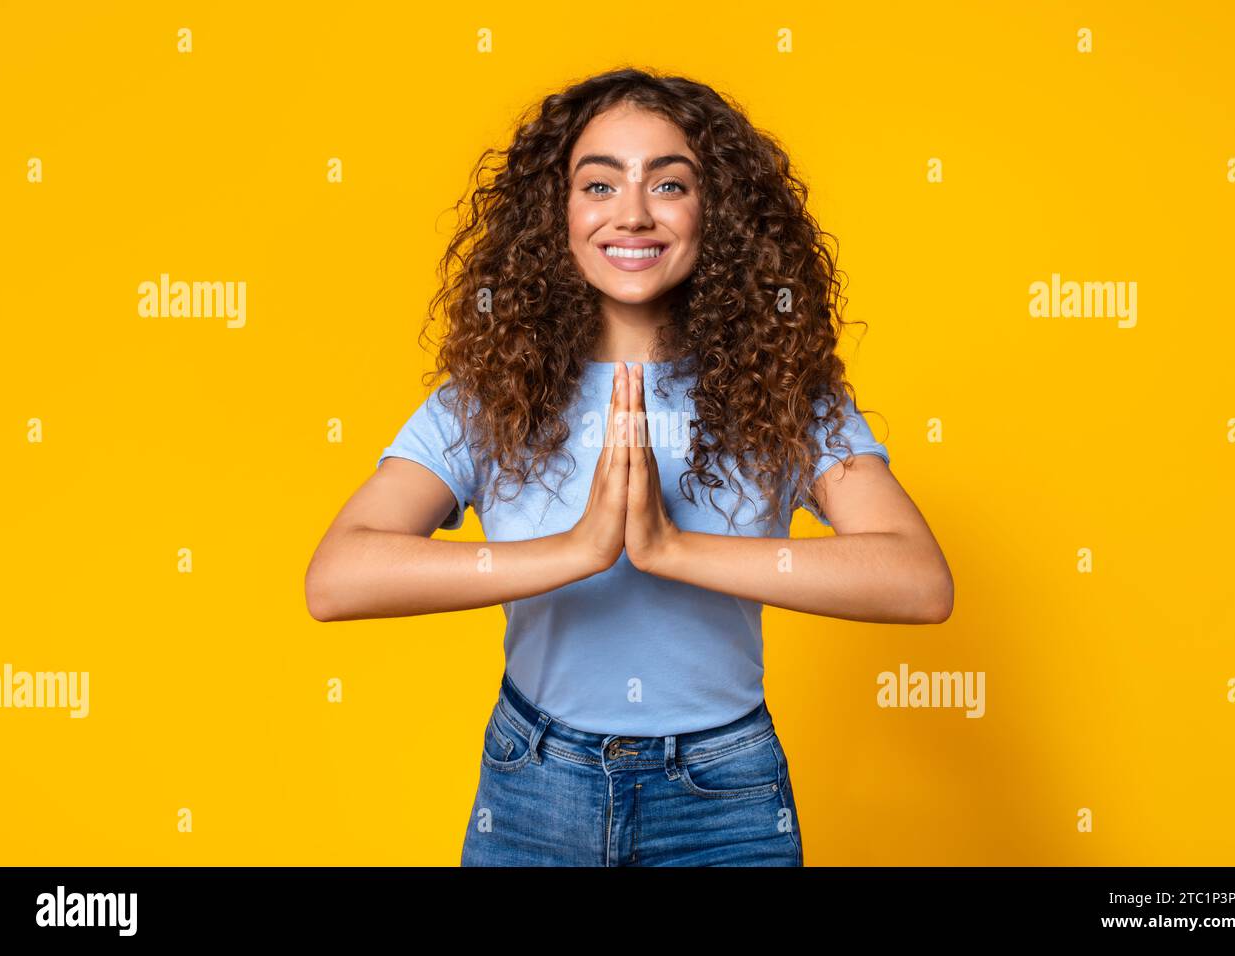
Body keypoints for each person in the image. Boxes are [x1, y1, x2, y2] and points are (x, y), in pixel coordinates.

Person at [304, 67, 953, 866]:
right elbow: (337, 580)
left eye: (670, 184)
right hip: (534, 785)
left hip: (725, 798)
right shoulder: (491, 396)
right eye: (600, 184)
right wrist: (577, 551)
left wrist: (670, 550)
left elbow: (918, 583)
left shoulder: (782, 393)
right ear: (558, 214)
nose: (634, 212)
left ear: (718, 215)